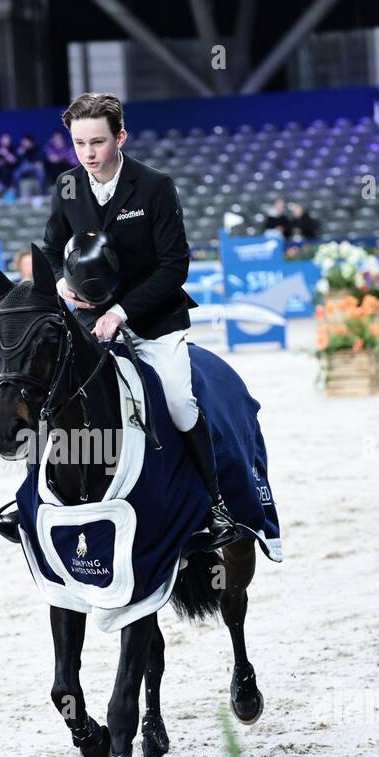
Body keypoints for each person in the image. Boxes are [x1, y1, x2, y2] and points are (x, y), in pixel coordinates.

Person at [33, 90, 236, 546]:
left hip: (153, 320)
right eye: (79, 143)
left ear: (120, 137)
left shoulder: (154, 185)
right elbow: (50, 249)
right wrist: (63, 286)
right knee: (51, 399)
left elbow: (174, 266)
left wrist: (121, 311)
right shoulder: (67, 185)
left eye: (98, 142)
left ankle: (215, 504)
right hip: (88, 321)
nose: (88, 154)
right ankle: (31, 503)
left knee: (180, 404)